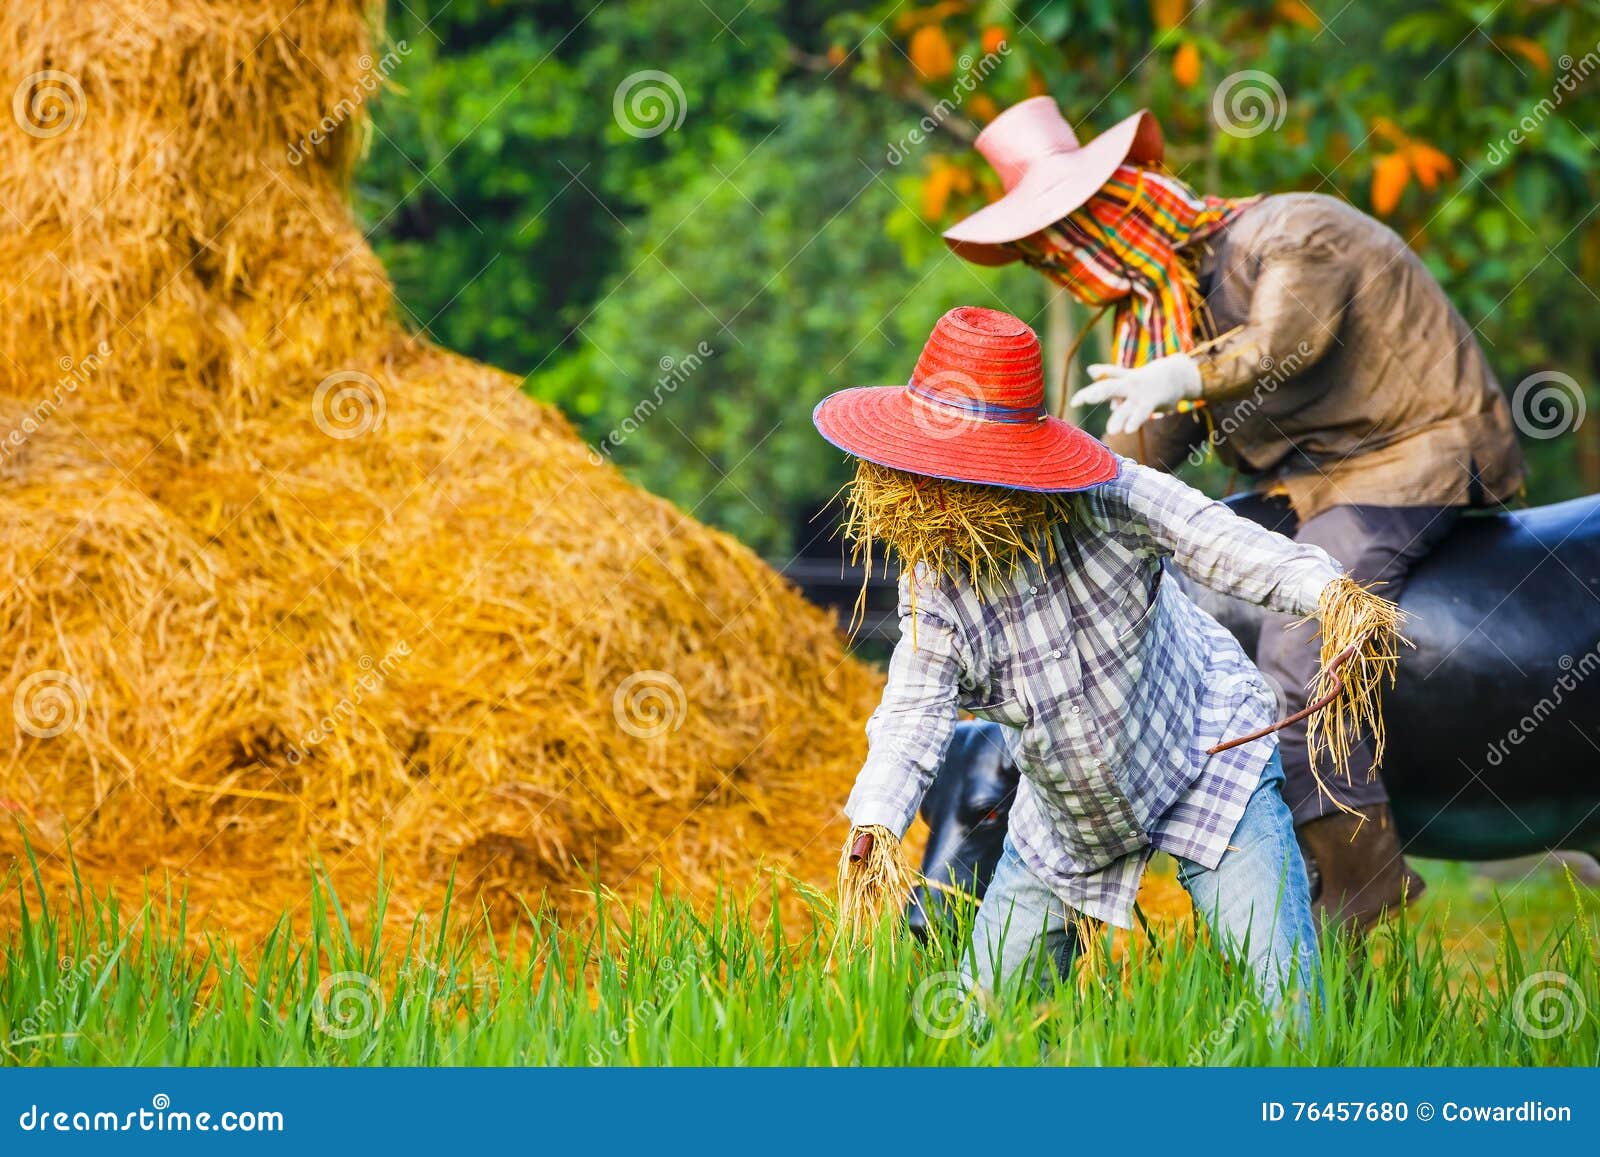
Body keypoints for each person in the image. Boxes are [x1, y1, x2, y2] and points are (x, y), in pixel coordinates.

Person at [941, 97, 1525, 934]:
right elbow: (1142, 457)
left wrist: (1177, 375)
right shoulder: (1169, 305)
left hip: (1409, 454)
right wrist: (1041, 504)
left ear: (1113, 214)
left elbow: (1289, 336)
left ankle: (1355, 894)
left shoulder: (1294, 232)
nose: (1067, 269)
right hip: (1309, 483)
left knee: (1300, 633)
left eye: (1066, 243)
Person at [816, 305, 1399, 1011]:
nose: (939, 493)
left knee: (1287, 1007)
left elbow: (1214, 537)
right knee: (984, 1026)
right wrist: (876, 819)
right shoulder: (934, 585)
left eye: (963, 471)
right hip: (1068, 812)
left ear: (1011, 469)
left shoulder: (1109, 497)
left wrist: (1328, 590)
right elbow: (912, 709)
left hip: (1207, 757)